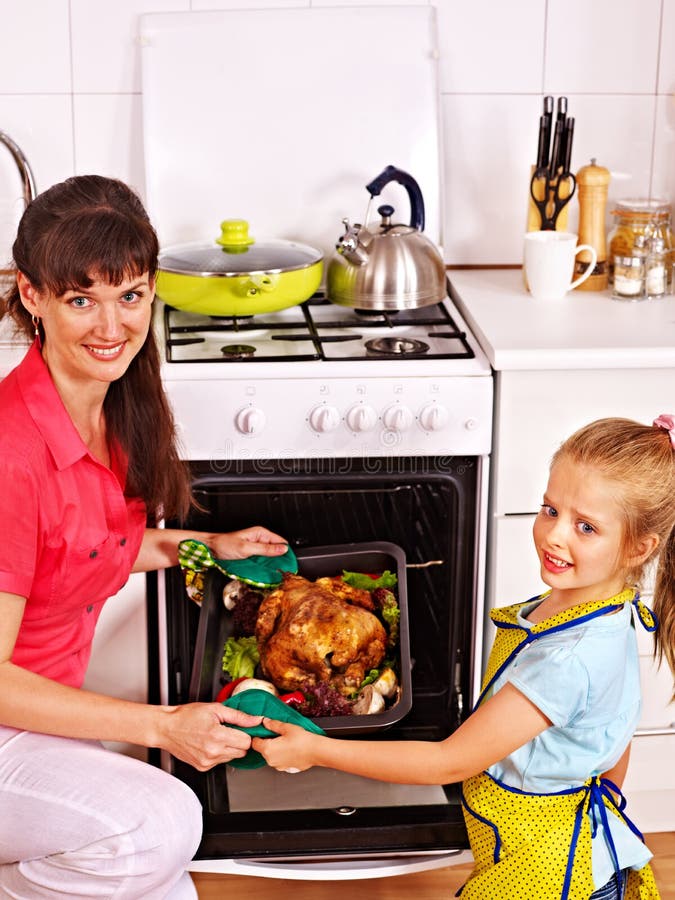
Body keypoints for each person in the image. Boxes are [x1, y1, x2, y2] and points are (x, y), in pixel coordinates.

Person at [0, 174, 289, 899]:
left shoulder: (113, 410)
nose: (110, 326)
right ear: (31, 296)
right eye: (80, 300)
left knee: (162, 878)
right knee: (160, 824)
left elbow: (86, 550)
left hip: (41, 722)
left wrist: (204, 546)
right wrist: (164, 727)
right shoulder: (10, 454)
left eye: (128, 296)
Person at [255, 415, 675, 900]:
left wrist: (316, 750)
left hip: (551, 876)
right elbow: (614, 738)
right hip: (561, 856)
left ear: (639, 547)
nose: (555, 535)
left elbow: (447, 762)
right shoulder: (602, 610)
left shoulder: (568, 660)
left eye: (586, 526)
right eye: (549, 509)